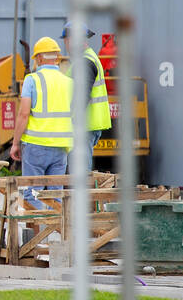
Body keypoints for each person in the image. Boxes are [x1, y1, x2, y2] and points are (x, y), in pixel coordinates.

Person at [10, 36, 74, 207]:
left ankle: (39, 234)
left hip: (35, 146)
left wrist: (15, 143)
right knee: (56, 196)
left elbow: (23, 114)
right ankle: (56, 233)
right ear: (57, 58)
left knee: (32, 196)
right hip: (61, 147)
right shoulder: (69, 83)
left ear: (38, 58)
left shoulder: (32, 80)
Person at [61, 21, 111, 170]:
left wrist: (70, 120)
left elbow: (81, 97)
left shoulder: (85, 62)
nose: (66, 46)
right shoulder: (86, 59)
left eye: (66, 41)